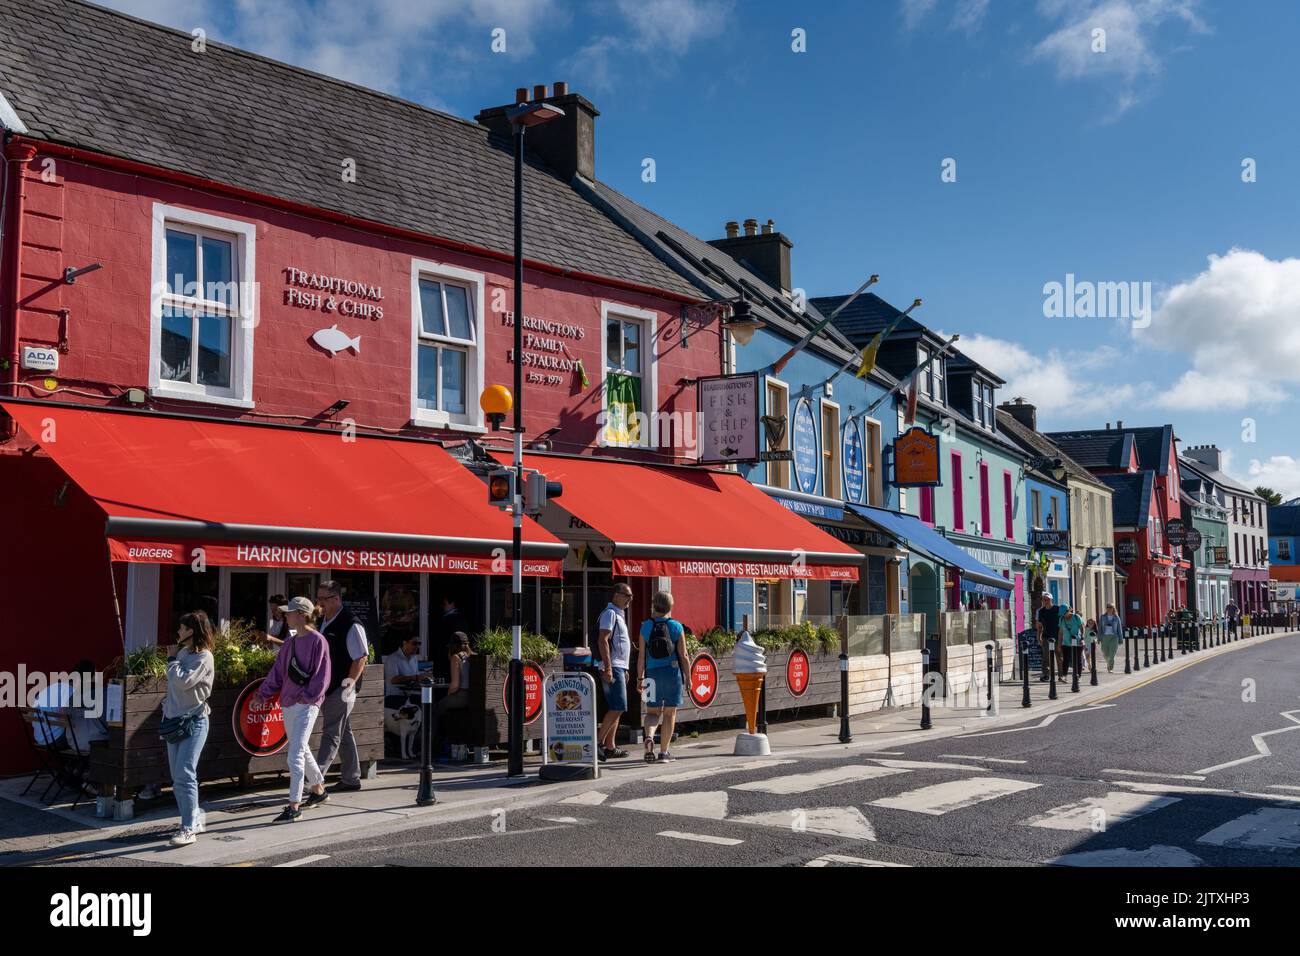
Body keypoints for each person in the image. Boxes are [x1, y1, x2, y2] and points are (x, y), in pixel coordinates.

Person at [255, 596, 331, 822]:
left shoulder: (319, 641)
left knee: (295, 752)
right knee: (301, 747)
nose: (285, 615)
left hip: (306, 704)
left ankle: (294, 805)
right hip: (289, 703)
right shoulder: (290, 642)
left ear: (301, 614)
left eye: (289, 612)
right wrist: (262, 695)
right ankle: (318, 790)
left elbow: (322, 677)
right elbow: (277, 673)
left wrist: (308, 698)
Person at [163, 611, 215, 847]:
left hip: (195, 721)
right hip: (174, 721)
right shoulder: (183, 653)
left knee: (185, 772)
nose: (178, 632)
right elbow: (174, 687)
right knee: (176, 778)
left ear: (192, 631)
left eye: (182, 628)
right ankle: (193, 817)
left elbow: (184, 682)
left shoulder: (204, 658)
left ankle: (187, 828)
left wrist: (172, 662)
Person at [315, 579, 369, 793]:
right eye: (318, 598)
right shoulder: (325, 620)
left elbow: (361, 657)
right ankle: (351, 778)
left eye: (323, 599)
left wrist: (348, 685)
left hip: (342, 687)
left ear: (336, 599)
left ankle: (313, 780)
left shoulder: (351, 622)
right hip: (330, 686)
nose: (319, 603)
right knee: (343, 731)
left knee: (331, 733)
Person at [637, 590, 689, 763]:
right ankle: (664, 753)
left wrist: (639, 678)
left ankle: (650, 737)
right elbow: (684, 655)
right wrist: (688, 678)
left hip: (651, 674)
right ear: (670, 605)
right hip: (672, 673)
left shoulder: (645, 626)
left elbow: (641, 656)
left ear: (654, 604)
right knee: (669, 713)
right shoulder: (676, 626)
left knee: (652, 712)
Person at [596, 584, 633, 762]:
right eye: (627, 595)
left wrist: (624, 668)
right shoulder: (610, 613)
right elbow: (603, 639)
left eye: (631, 596)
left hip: (619, 666)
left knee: (616, 707)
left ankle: (610, 747)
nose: (630, 599)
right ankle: (597, 743)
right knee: (618, 706)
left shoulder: (618, 614)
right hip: (612, 666)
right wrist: (609, 667)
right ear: (616, 595)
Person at [432, 597, 467, 680]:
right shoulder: (462, 619)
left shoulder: (448, 619)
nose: (443, 607)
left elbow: (441, 640)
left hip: (445, 658)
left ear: (452, 604)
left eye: (445, 604)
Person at [1034, 593, 1060, 681]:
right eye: (1044, 599)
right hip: (1046, 636)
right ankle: (1046, 674)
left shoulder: (1057, 609)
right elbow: (1039, 625)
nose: (1046, 601)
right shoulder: (1041, 611)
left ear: (1051, 600)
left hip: (1057, 636)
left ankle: (1061, 675)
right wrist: (1039, 637)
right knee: (1046, 657)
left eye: (1047, 599)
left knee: (1059, 655)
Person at [1099, 603, 1123, 672]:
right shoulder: (1102, 617)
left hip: (1114, 637)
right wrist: (1099, 638)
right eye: (1107, 607)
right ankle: (1108, 663)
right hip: (1105, 637)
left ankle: (1110, 667)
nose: (1109, 608)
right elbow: (1100, 628)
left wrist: (1121, 639)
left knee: (1112, 653)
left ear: (1113, 608)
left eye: (1110, 607)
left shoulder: (1116, 617)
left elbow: (1119, 629)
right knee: (1105, 653)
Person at [1060, 605, 1082, 676]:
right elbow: (1060, 632)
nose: (1063, 615)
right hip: (1066, 643)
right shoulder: (1061, 619)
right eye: (1062, 614)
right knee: (1065, 660)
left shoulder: (1076, 617)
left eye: (1064, 613)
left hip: (1077, 642)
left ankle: (1078, 676)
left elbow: (1082, 628)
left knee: (1077, 659)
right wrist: (1059, 644)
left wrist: (1082, 638)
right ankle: (1064, 676)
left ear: (1068, 611)